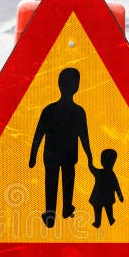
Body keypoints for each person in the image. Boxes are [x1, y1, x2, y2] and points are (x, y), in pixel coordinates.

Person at [29, 68, 92, 229]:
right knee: (68, 181)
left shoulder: (49, 110)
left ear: (59, 84)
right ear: (77, 87)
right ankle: (66, 209)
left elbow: (38, 135)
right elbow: (84, 138)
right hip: (69, 155)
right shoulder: (79, 112)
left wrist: (33, 156)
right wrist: (90, 157)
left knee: (51, 184)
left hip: (51, 156)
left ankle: (50, 216)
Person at [88, 149, 123, 228]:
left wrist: (89, 158)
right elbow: (117, 186)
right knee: (109, 209)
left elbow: (91, 167)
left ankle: (98, 222)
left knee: (98, 210)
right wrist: (120, 196)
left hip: (98, 197)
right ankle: (111, 220)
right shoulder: (112, 174)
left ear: (102, 161)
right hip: (108, 197)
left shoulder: (99, 173)